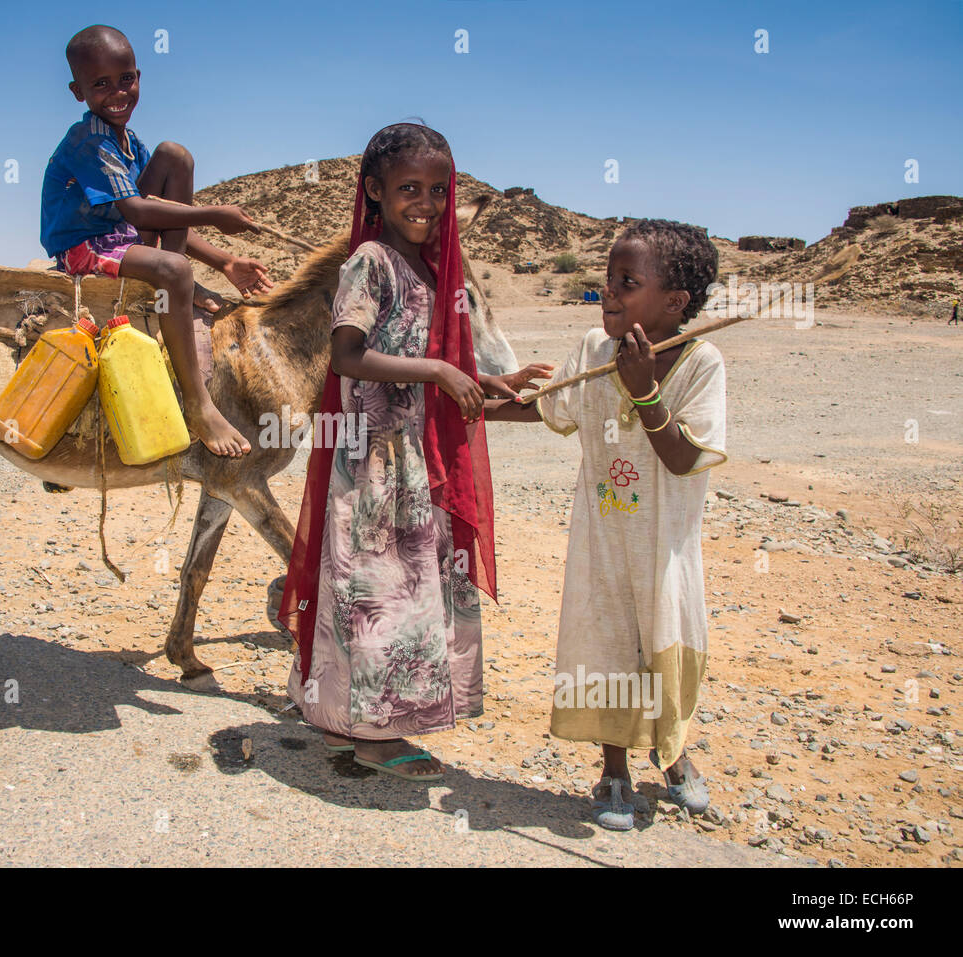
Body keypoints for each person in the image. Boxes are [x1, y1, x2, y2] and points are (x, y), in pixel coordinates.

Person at [277, 123, 549, 781]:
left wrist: (486, 382)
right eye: (408, 188)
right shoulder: (370, 261)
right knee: (380, 597)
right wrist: (437, 371)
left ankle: (345, 723)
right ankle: (377, 736)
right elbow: (348, 355)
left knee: (385, 595)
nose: (424, 202)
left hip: (404, 459)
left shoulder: (425, 270)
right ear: (374, 191)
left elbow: (424, 362)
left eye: (436, 189)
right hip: (371, 462)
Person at [487, 219, 726, 829]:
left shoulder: (703, 363)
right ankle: (615, 771)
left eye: (627, 282)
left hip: (664, 549)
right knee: (606, 651)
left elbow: (680, 457)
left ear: (675, 303)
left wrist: (645, 392)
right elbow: (547, 407)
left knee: (661, 647)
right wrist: (468, 408)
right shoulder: (595, 353)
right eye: (606, 280)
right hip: (601, 544)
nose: (608, 294)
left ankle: (672, 758)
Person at [40, 24, 273, 457]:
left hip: (121, 238)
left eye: (126, 79)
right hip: (83, 246)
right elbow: (139, 213)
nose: (118, 92)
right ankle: (199, 405)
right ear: (78, 91)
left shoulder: (132, 145)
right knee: (173, 267)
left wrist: (224, 261)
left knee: (175, 156)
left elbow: (158, 207)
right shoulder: (87, 140)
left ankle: (182, 285)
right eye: (101, 84)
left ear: (139, 76)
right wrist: (215, 215)